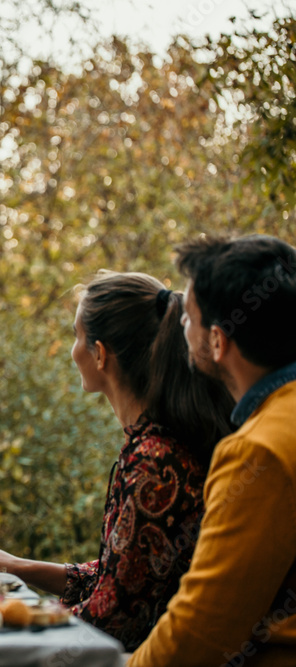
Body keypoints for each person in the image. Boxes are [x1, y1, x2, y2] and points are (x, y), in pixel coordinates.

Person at [0, 271, 235, 650]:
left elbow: (113, 619)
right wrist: (19, 567)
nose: (73, 350)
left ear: (101, 353)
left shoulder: (153, 461)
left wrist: (7, 617)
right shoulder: (158, 441)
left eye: (77, 337)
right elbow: (123, 580)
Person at [130, 235, 296, 666]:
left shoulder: (259, 452)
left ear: (218, 343)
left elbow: (199, 635)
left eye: (188, 319)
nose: (180, 327)